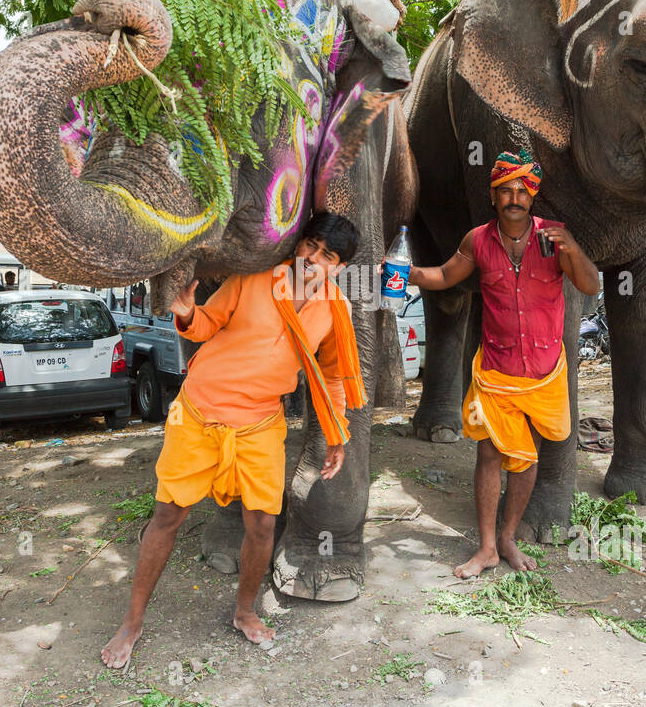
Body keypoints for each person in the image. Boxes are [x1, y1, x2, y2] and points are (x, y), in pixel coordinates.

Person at [100, 212, 367, 669]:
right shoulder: (255, 279)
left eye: (328, 256)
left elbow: (331, 374)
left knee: (262, 524)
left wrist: (337, 433)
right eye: (311, 246)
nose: (313, 259)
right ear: (299, 245)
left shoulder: (334, 309)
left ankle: (244, 611)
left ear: (339, 268)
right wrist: (186, 310)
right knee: (168, 515)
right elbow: (205, 325)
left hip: (262, 422)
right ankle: (132, 622)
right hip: (201, 413)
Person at [408, 151, 600, 578]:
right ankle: (487, 547)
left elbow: (591, 284)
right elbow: (443, 276)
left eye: (522, 190)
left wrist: (574, 250)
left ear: (532, 197)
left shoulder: (554, 238)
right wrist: (405, 273)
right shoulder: (476, 240)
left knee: (528, 459)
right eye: (506, 190)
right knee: (489, 453)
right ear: (493, 196)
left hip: (545, 372)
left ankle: (509, 537)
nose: (514, 197)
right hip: (496, 371)